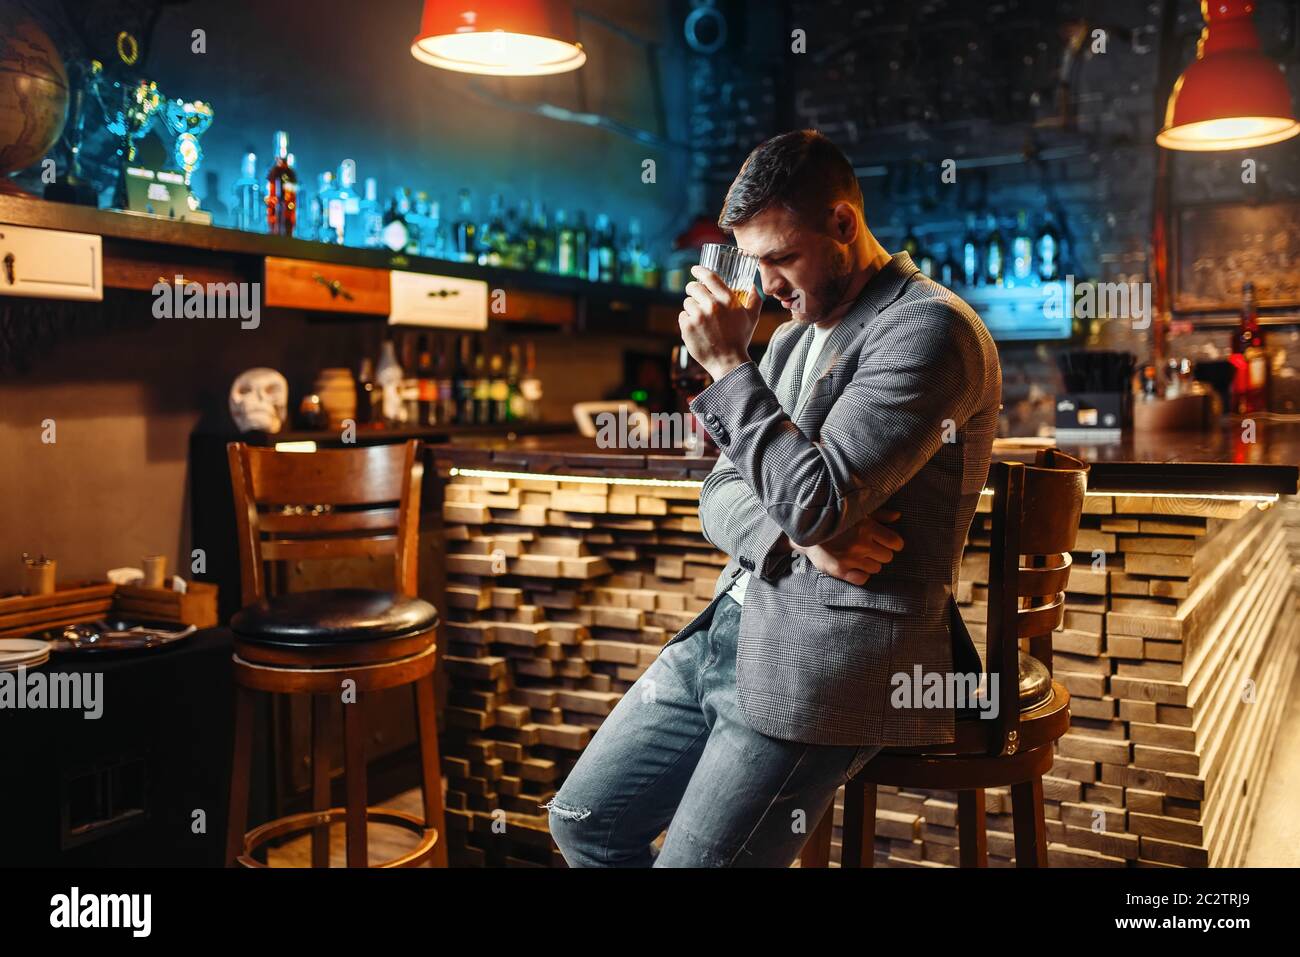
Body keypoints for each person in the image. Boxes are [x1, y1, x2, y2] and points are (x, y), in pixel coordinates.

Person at [545, 129, 1001, 867]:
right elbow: (719, 493)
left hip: (825, 658)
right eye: (754, 262)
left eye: (780, 258)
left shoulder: (928, 328)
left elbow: (815, 500)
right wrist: (799, 535)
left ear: (844, 225)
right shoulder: (788, 341)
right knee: (582, 821)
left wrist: (727, 362)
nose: (763, 286)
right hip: (726, 626)